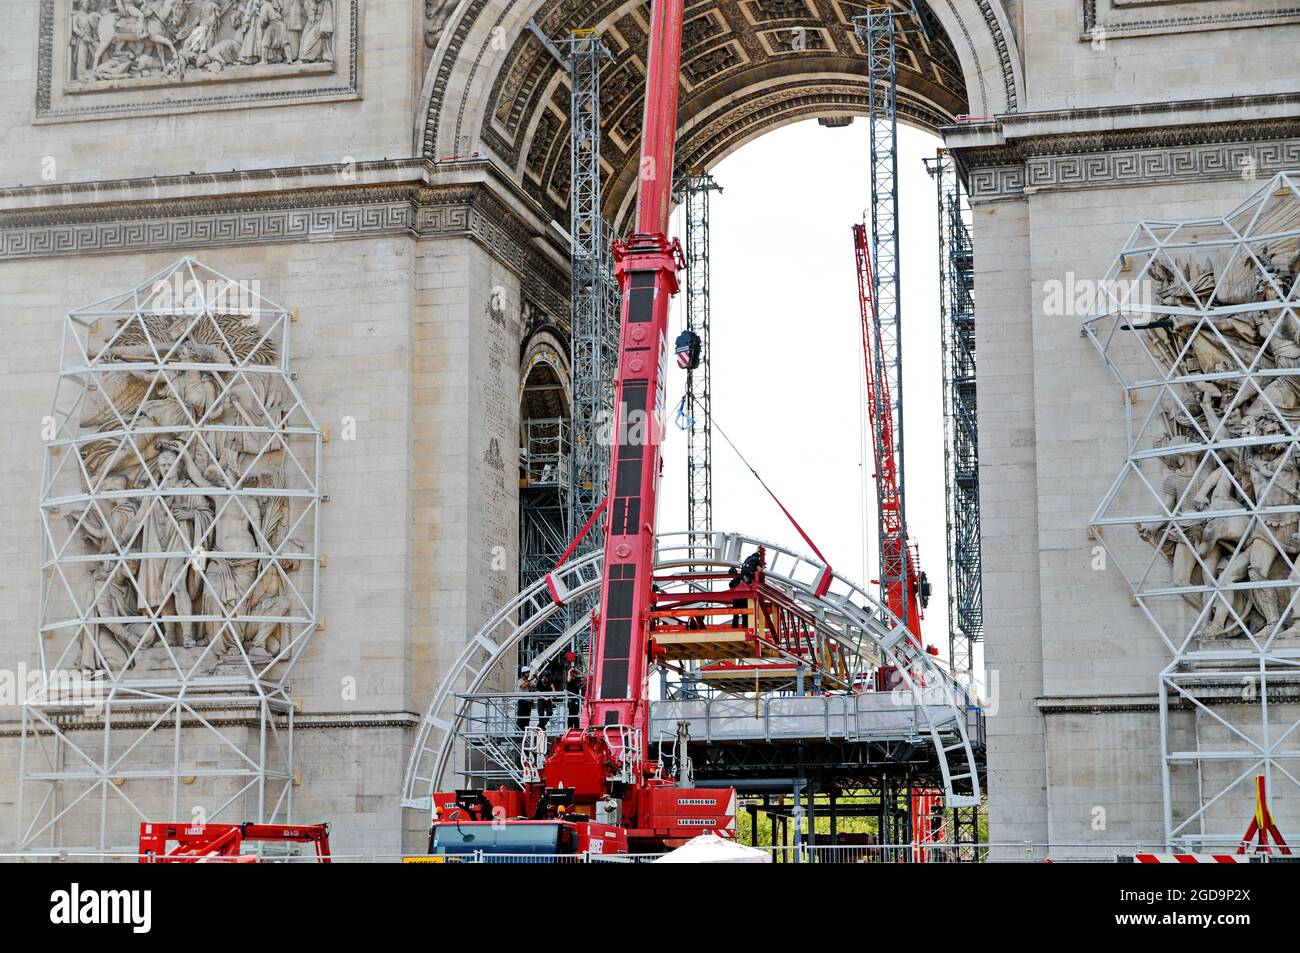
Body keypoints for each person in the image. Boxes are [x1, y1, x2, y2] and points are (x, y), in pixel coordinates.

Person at [564, 664, 584, 730]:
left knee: (576, 714)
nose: (573, 673)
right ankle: (570, 728)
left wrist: (578, 671)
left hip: (576, 698)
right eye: (572, 672)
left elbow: (586, 678)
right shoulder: (569, 680)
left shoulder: (577, 679)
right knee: (571, 714)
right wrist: (569, 671)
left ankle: (576, 729)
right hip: (571, 699)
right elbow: (568, 680)